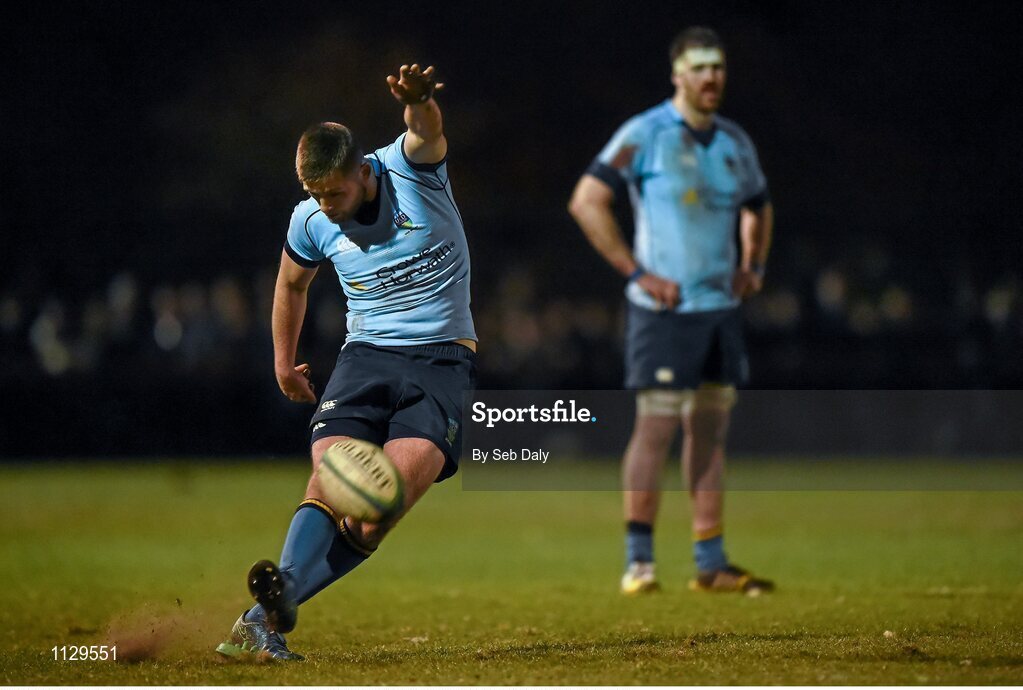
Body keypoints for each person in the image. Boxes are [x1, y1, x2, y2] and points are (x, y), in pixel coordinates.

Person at [216, 63, 477, 660]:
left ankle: (266, 611)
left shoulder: (410, 173)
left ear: (362, 172)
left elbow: (425, 130)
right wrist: (283, 362)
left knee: (373, 514)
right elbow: (290, 284)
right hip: (364, 361)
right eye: (314, 194)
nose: (325, 207)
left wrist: (421, 99)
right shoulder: (310, 218)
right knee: (334, 486)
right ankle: (269, 612)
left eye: (334, 193)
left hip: (440, 364)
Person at [568, 28, 775, 596]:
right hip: (663, 311)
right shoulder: (646, 133)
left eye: (719, 66)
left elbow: (758, 206)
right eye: (700, 66)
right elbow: (587, 200)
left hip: (719, 309)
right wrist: (636, 272)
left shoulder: (734, 141)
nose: (712, 77)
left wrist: (752, 266)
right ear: (678, 74)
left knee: (709, 430)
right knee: (656, 427)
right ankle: (640, 563)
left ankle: (711, 563)